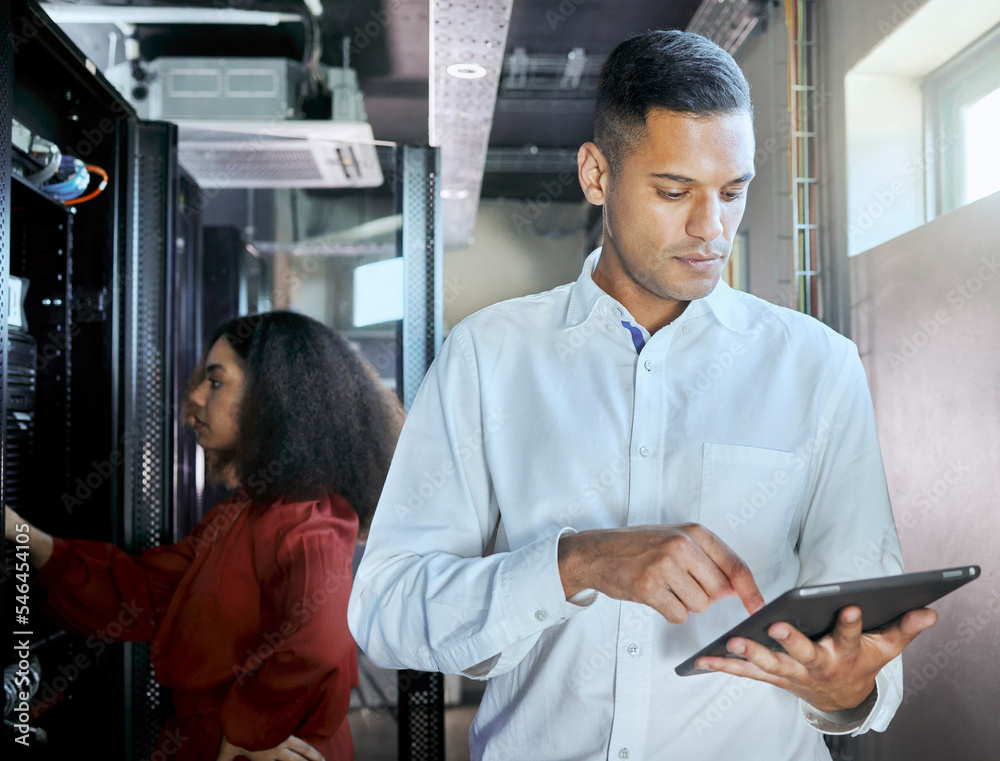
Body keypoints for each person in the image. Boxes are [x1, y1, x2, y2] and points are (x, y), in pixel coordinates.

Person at [347, 30, 936, 760]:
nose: (709, 228)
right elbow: (388, 610)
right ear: (597, 175)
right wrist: (576, 563)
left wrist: (843, 689)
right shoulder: (489, 358)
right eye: (673, 190)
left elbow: (860, 641)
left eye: (732, 191)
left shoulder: (820, 367)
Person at [7, 311, 403, 761]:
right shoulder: (248, 510)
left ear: (275, 397)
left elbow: (322, 646)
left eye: (215, 382)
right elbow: (143, 592)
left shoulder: (305, 518)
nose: (193, 397)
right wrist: (20, 535)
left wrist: (252, 734)